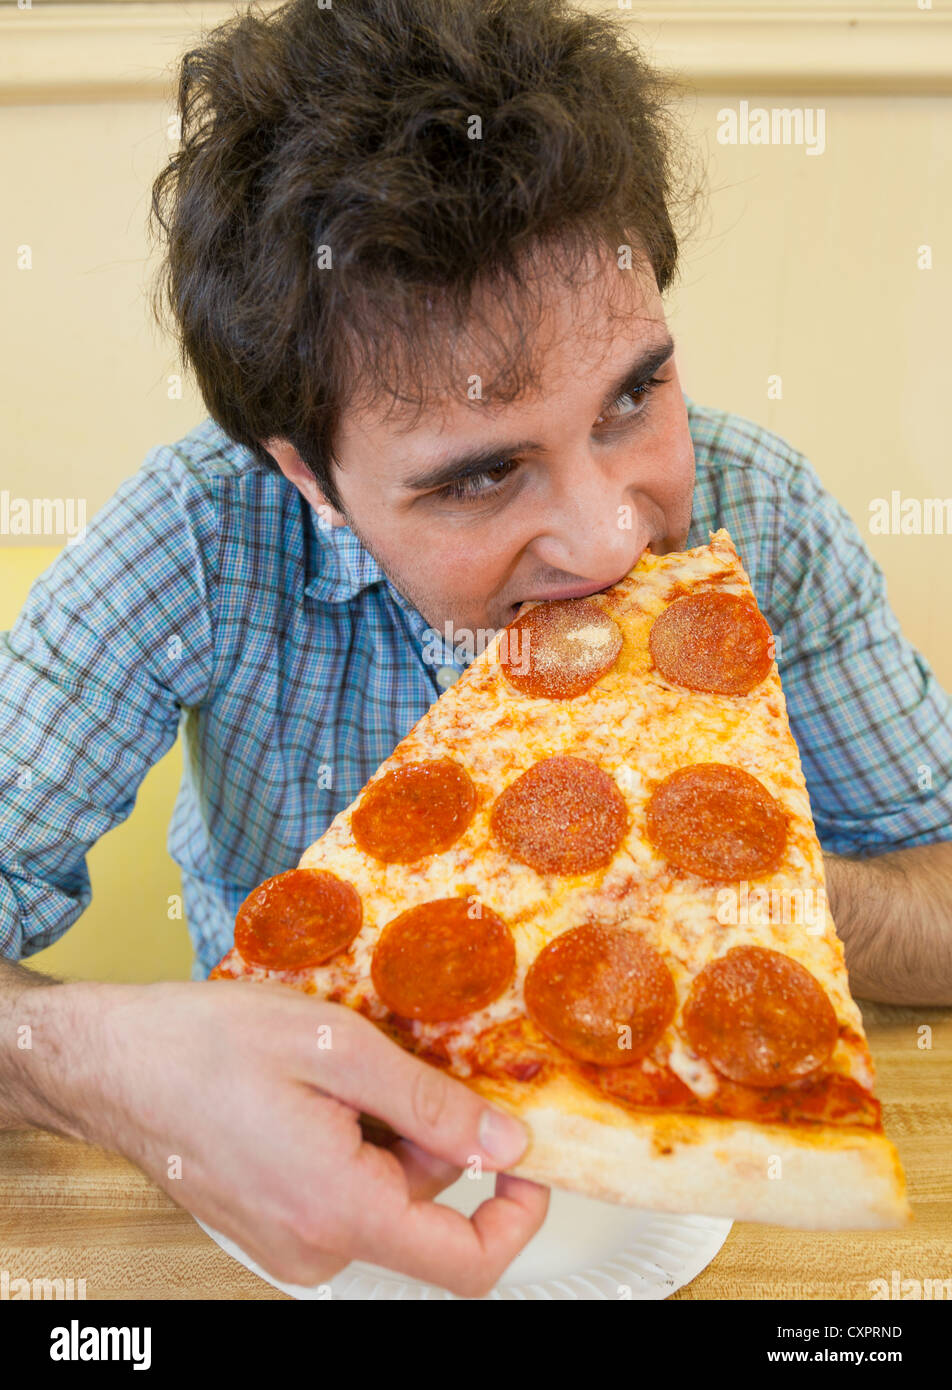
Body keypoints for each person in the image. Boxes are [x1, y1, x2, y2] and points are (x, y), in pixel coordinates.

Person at [2, 0, 950, 1298]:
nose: (614, 535)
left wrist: (762, 883)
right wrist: (100, 1062)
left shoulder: (761, 513)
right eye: (482, 475)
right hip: (285, 1189)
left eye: (633, 392)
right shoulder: (193, 539)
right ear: (307, 474)